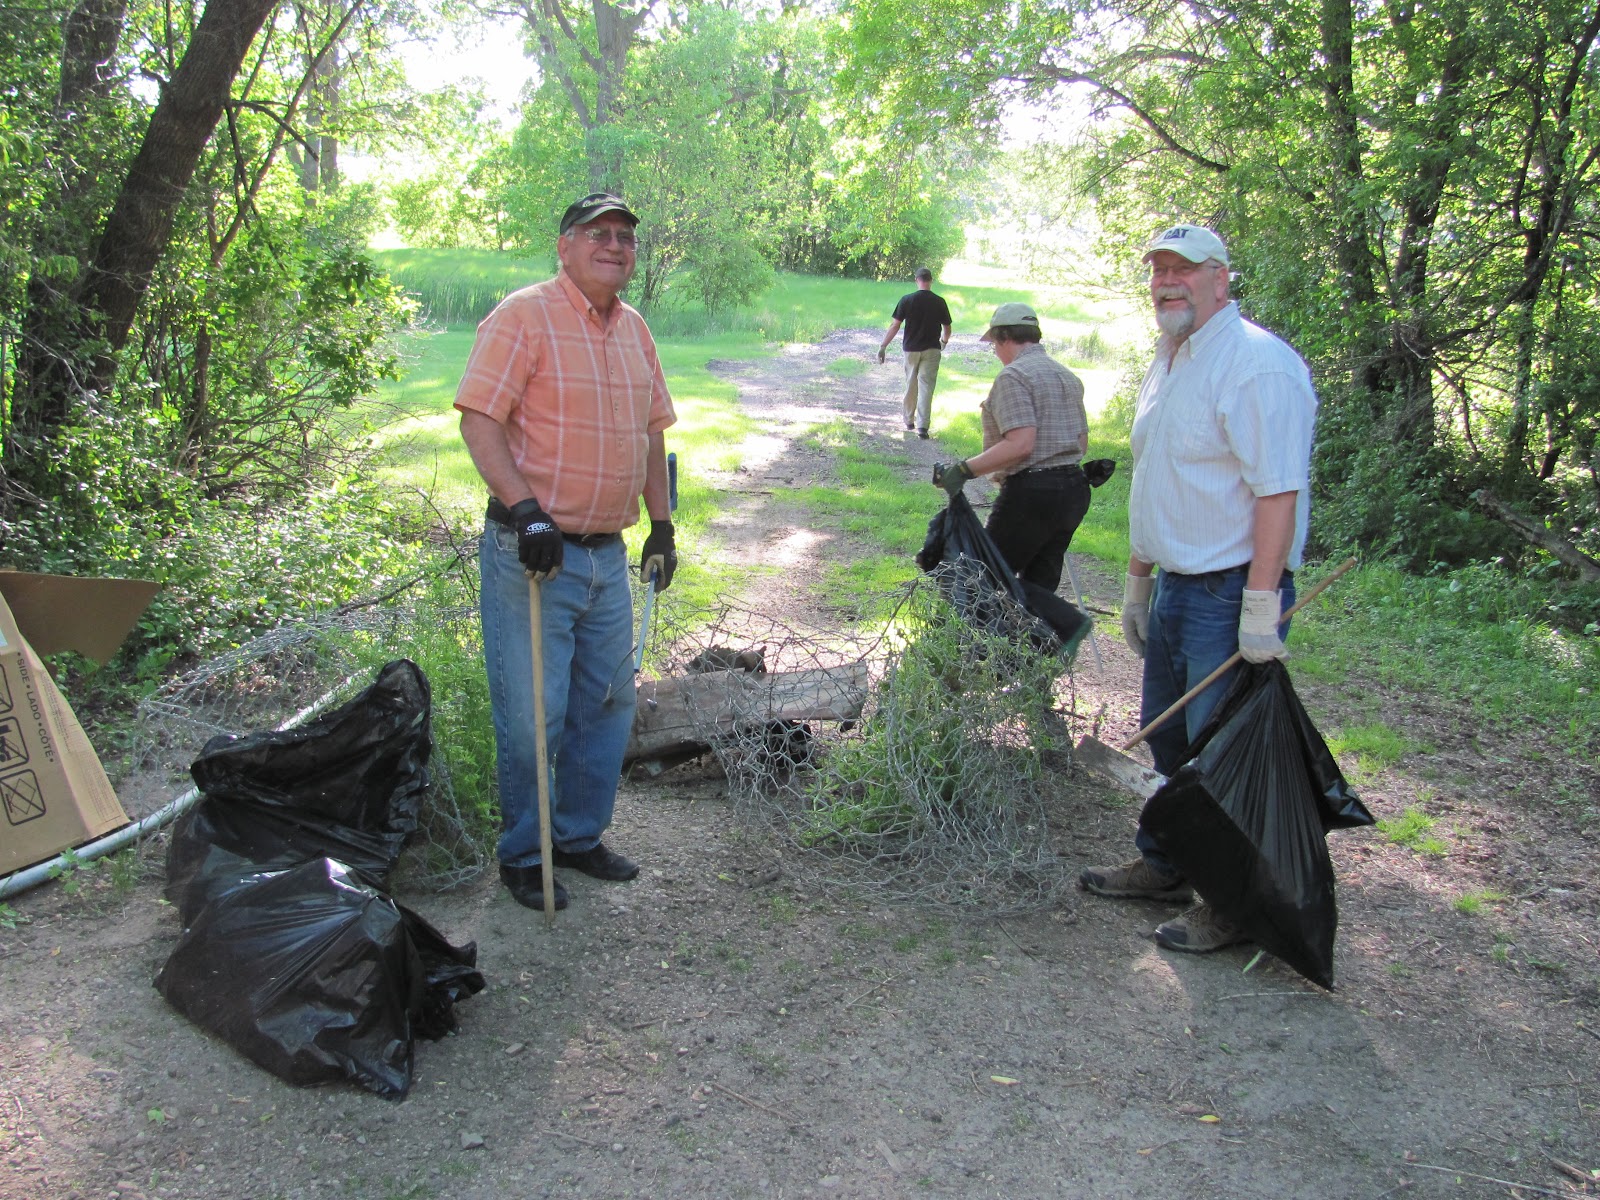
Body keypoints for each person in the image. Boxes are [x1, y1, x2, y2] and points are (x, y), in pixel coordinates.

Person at [1079, 223, 1318, 954]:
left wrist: (1260, 604)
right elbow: (1158, 477)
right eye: (1158, 270)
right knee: (1169, 737)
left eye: (1183, 268)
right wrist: (1138, 581)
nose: (1167, 281)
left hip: (1229, 591)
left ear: (1221, 277)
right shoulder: (1171, 359)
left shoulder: (1257, 365)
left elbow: (1278, 492)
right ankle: (1168, 865)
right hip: (1177, 586)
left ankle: (1233, 902)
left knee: (1224, 756)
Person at [455, 192, 677, 913]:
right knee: (533, 715)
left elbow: (650, 434)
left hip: (607, 556)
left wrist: (662, 524)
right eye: (597, 234)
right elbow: (479, 420)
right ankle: (526, 853)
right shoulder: (524, 316)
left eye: (625, 237)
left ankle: (578, 836)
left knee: (606, 704)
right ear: (565, 246)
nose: (614, 246)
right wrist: (525, 511)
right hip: (532, 556)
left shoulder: (634, 329)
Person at [935, 302, 1090, 596]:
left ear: (1005, 337)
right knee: (1038, 589)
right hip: (1074, 491)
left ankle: (975, 629)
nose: (995, 351)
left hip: (1032, 494)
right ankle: (1034, 627)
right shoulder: (1067, 376)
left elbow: (1021, 443)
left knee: (980, 583)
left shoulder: (1014, 376)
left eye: (994, 343)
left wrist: (963, 470)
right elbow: (1081, 443)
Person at [877, 267, 952, 438]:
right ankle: (923, 427)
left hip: (911, 349)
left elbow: (895, 325)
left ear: (916, 280)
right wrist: (944, 342)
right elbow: (947, 328)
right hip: (932, 349)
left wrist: (883, 346)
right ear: (931, 280)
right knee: (926, 387)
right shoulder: (939, 301)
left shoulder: (907, 300)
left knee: (911, 383)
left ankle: (909, 420)